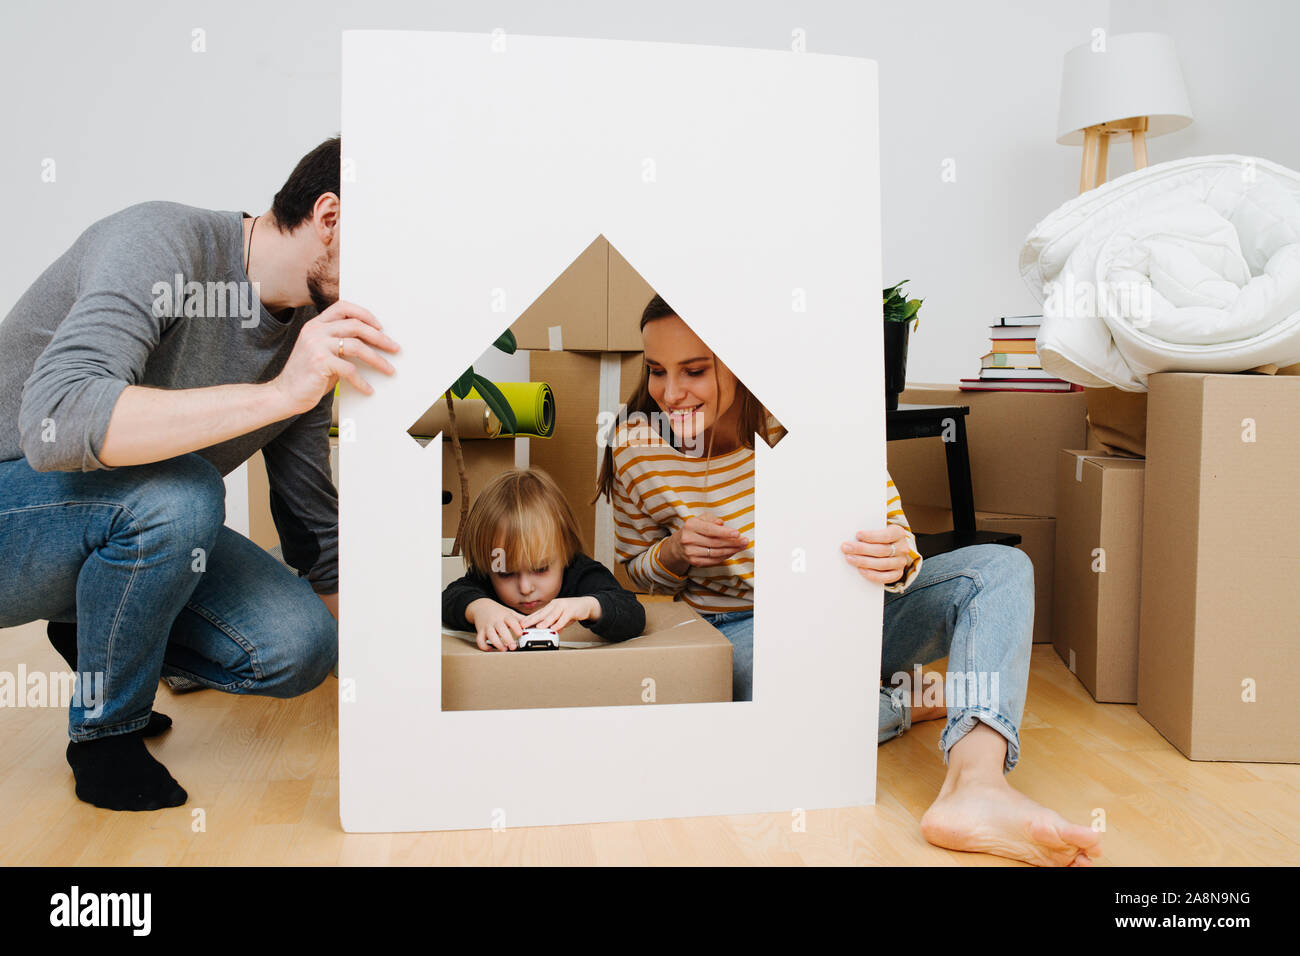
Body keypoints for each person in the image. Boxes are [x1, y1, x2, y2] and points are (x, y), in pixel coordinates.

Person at [595, 294, 1103, 867]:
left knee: (1002, 568)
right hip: (741, 630)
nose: (669, 392)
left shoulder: (806, 421)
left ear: (740, 363)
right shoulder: (637, 445)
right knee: (772, 704)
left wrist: (900, 557)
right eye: (656, 370)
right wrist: (674, 552)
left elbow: (897, 533)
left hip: (851, 615)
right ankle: (902, 702)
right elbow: (631, 574)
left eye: (694, 370)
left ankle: (976, 786)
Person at [0, 136, 400, 811]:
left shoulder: (308, 333)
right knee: (183, 490)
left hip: (124, 520)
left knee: (299, 647)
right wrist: (280, 395)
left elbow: (312, 528)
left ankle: (93, 627)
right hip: (17, 512)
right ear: (331, 218)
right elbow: (58, 421)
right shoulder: (161, 241)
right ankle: (106, 735)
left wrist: (373, 686)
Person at [443, 469, 645, 651]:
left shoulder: (580, 572)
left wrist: (589, 606)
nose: (525, 588)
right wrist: (478, 608)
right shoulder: (485, 580)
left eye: (540, 569)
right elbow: (448, 599)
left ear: (566, 551)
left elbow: (633, 614)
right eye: (505, 573)